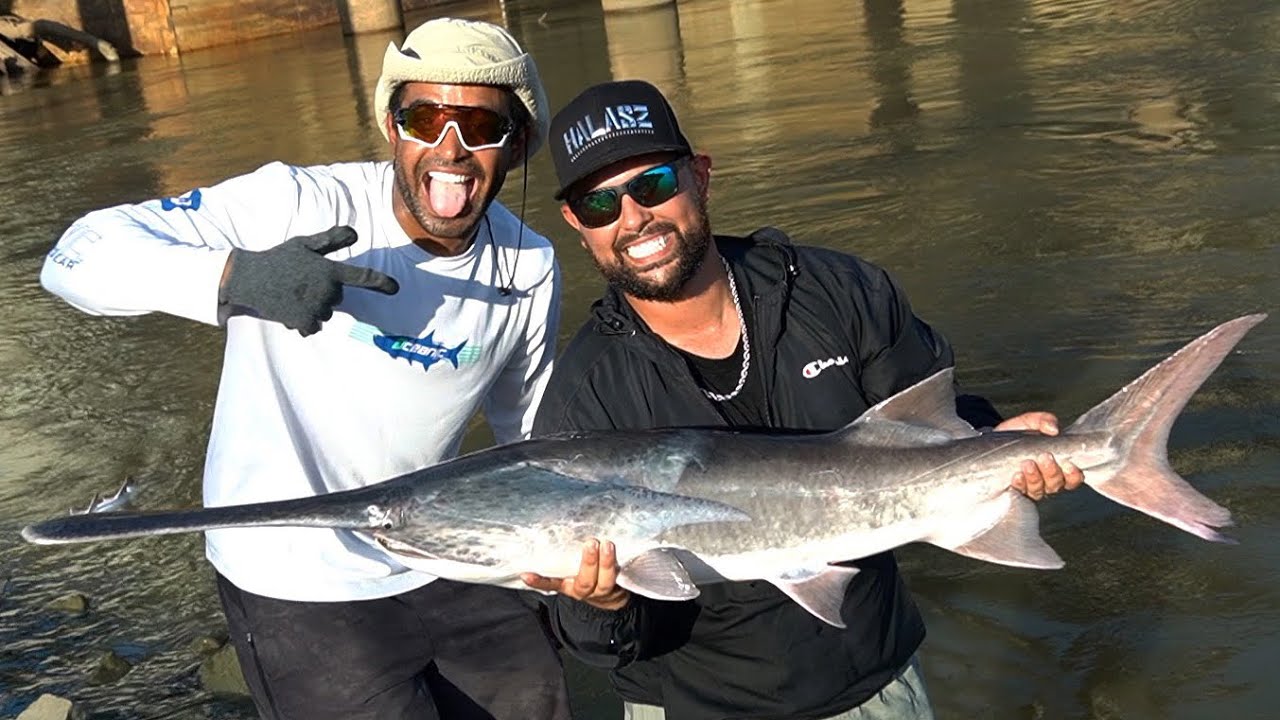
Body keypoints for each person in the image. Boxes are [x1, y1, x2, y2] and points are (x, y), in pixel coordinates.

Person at [39, 18, 568, 720]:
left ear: (518, 143)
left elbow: (530, 439)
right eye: (425, 119)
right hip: (294, 570)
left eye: (480, 125)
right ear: (391, 126)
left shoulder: (531, 265)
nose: (450, 148)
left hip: (442, 548)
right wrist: (234, 276)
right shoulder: (292, 204)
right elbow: (73, 257)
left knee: (540, 700)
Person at [523, 79, 1084, 720]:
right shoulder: (583, 401)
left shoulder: (838, 292)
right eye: (599, 203)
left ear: (699, 177)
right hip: (696, 704)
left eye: (652, 185)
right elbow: (602, 645)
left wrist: (995, 441)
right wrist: (604, 604)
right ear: (577, 224)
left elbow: (934, 416)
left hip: (872, 682)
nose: (632, 219)